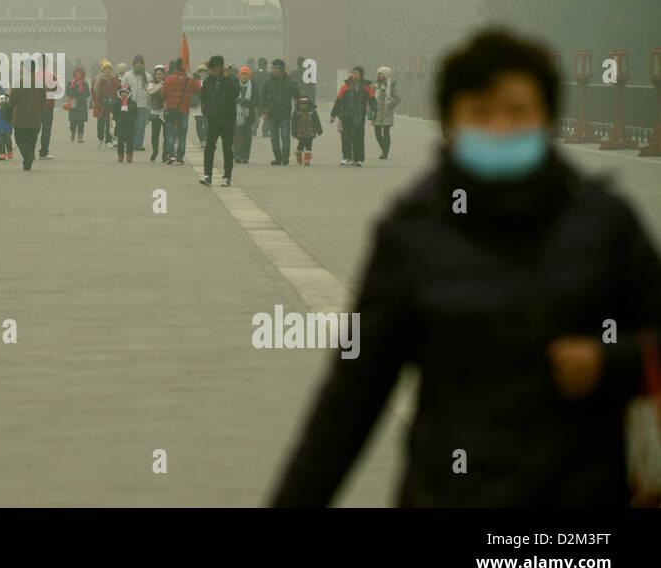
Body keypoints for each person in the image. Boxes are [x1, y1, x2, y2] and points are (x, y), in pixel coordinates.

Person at [271, 28, 661, 507]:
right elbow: (354, 392)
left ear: (548, 118)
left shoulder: (606, 224)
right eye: (480, 113)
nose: (499, 128)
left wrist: (611, 362)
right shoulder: (412, 235)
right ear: (450, 123)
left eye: (517, 112)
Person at [198, 56, 237, 186]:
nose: (212, 72)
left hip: (228, 120)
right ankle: (207, 175)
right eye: (211, 70)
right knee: (209, 148)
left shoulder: (231, 79)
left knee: (227, 149)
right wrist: (206, 111)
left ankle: (227, 177)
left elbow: (235, 92)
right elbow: (203, 97)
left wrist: (227, 78)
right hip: (213, 120)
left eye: (214, 70)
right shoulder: (209, 81)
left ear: (220, 68)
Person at [330, 65, 376, 167]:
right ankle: (346, 158)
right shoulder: (345, 87)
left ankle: (359, 159)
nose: (355, 75)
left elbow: (372, 100)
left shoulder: (367, 87)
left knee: (359, 139)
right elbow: (339, 102)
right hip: (347, 116)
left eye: (357, 74)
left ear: (361, 75)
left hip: (359, 117)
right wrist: (333, 115)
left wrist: (374, 110)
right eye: (354, 73)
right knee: (345, 138)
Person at [261, 59, 300, 166]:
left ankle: (285, 157)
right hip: (271, 115)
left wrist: (301, 107)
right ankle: (277, 158)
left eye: (277, 68)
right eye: (273, 68)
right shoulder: (267, 82)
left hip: (285, 114)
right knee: (274, 138)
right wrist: (263, 111)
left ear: (282, 69)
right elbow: (263, 98)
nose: (274, 70)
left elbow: (298, 95)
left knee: (285, 136)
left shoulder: (290, 82)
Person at [160, 59, 199, 166]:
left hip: (171, 110)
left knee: (169, 132)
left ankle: (171, 155)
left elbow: (162, 94)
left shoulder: (168, 79)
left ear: (176, 67)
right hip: (184, 110)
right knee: (182, 134)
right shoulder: (190, 80)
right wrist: (196, 80)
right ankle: (179, 157)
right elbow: (198, 91)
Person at [8, 64, 46, 170]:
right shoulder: (40, 83)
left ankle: (27, 156)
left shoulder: (19, 82)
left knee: (20, 139)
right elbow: (44, 101)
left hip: (21, 117)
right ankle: (27, 162)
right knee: (32, 140)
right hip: (35, 118)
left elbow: (12, 99)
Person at [372, 66, 401, 159]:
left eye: (382, 74)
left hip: (386, 112)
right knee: (377, 133)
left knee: (386, 132)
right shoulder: (375, 84)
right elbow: (371, 96)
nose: (380, 75)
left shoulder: (391, 84)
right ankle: (384, 149)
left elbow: (397, 99)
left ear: (386, 75)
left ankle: (385, 153)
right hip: (376, 112)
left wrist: (389, 105)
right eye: (379, 74)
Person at [122, 56, 150, 151]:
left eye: (140, 66)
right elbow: (122, 89)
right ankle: (131, 144)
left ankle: (139, 144)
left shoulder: (148, 77)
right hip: (130, 105)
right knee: (130, 126)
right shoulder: (127, 75)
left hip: (142, 106)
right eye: (136, 66)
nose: (138, 68)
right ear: (133, 65)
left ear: (143, 66)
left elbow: (150, 92)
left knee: (140, 127)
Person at [91, 60, 119, 147]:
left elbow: (117, 91)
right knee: (100, 123)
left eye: (109, 68)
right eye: (105, 68)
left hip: (110, 105)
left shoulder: (114, 80)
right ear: (102, 70)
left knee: (109, 123)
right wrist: (95, 101)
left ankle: (108, 140)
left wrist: (114, 101)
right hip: (100, 104)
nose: (107, 70)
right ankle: (100, 137)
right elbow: (93, 91)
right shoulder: (97, 79)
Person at [290, 94, 322, 166]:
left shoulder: (312, 111)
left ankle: (307, 159)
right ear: (299, 104)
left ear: (308, 104)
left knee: (309, 146)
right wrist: (293, 131)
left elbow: (317, 121)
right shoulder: (296, 112)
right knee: (301, 146)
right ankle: (298, 153)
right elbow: (293, 123)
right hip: (300, 133)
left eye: (305, 104)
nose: (303, 106)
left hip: (310, 133)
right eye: (301, 104)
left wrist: (319, 129)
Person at [233, 66, 256, 165]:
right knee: (237, 136)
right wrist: (236, 99)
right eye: (243, 75)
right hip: (236, 116)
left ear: (249, 76)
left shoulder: (253, 86)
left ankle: (245, 156)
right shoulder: (234, 86)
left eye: (246, 75)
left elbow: (257, 101)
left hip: (248, 116)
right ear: (240, 76)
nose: (244, 77)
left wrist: (248, 102)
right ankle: (238, 154)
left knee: (247, 137)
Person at [109, 83, 138, 162]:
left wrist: (131, 120)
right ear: (119, 93)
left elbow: (135, 114)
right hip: (120, 125)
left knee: (130, 143)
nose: (124, 94)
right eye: (122, 92)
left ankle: (129, 156)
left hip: (130, 125)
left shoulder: (133, 104)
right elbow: (114, 114)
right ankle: (120, 155)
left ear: (129, 93)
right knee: (120, 143)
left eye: (126, 92)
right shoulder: (116, 103)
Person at [36, 63, 57, 160]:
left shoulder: (34, 75)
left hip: (36, 105)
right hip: (48, 105)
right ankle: (43, 152)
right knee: (46, 129)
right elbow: (55, 88)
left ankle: (30, 151)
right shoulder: (50, 75)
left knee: (34, 129)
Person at [146, 65, 166, 163]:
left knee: (166, 135)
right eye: (157, 74)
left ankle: (165, 154)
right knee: (155, 135)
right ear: (155, 75)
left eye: (161, 74)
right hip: (155, 112)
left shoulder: (167, 83)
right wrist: (161, 84)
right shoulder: (151, 83)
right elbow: (151, 92)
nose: (159, 76)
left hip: (165, 112)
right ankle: (155, 151)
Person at [64, 67, 89, 143]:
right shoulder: (71, 82)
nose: (78, 75)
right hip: (73, 104)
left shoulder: (85, 83)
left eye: (79, 73)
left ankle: (80, 137)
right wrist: (75, 93)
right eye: (76, 73)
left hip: (82, 104)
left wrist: (82, 95)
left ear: (82, 75)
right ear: (74, 74)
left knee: (81, 121)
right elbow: (67, 92)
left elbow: (88, 93)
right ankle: (73, 133)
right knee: (73, 121)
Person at [0, 79, 13, 161]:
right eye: (1, 104)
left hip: (7, 129)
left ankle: (9, 151)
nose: (2, 105)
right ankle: (2, 154)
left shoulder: (8, 110)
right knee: (0, 143)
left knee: (8, 142)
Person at [190, 63, 210, 148]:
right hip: (197, 105)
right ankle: (202, 140)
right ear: (198, 73)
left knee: (207, 124)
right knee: (199, 124)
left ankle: (205, 138)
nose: (202, 74)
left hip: (207, 106)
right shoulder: (195, 81)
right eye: (201, 72)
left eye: (204, 72)